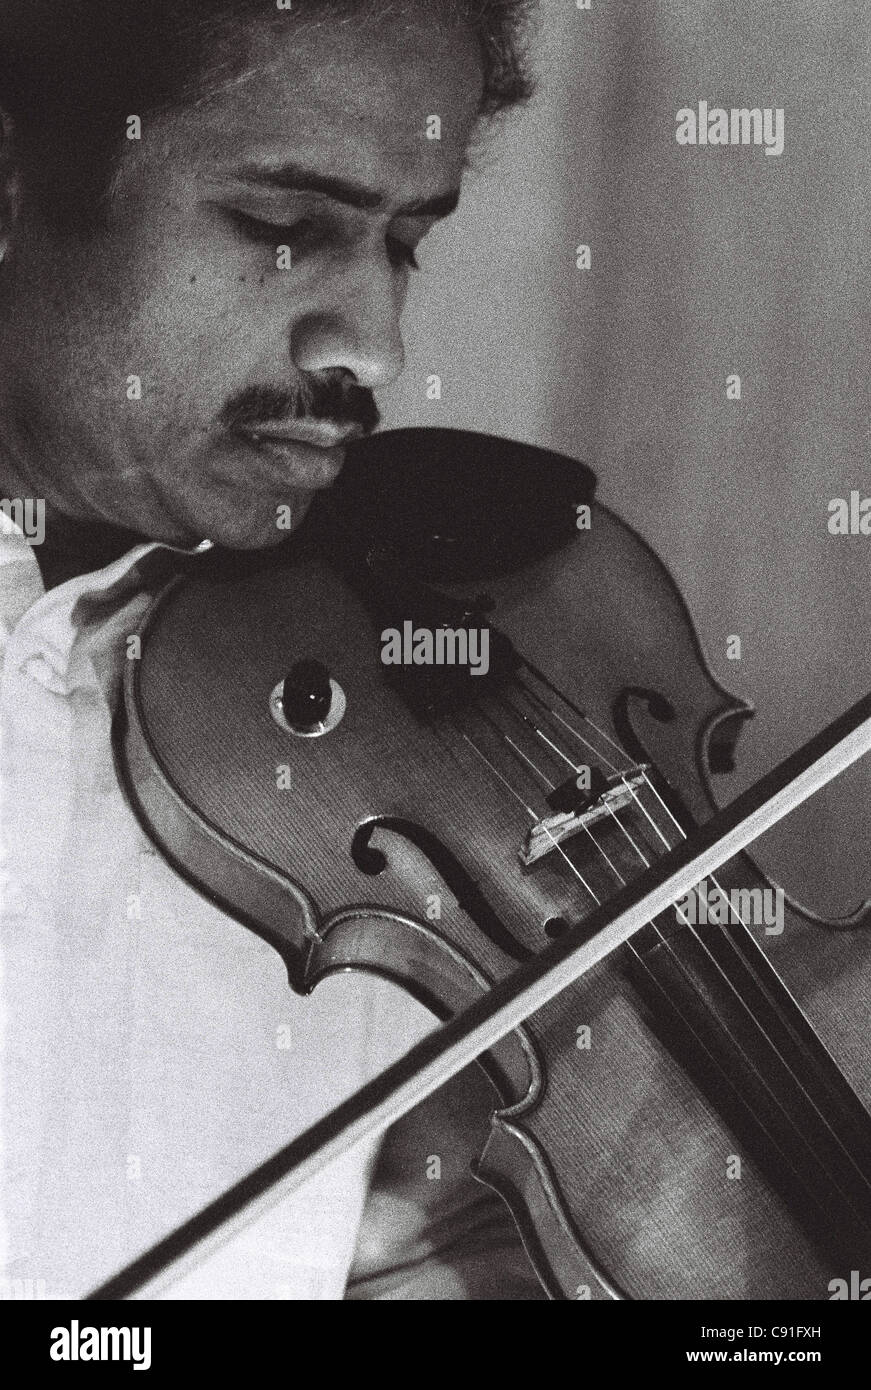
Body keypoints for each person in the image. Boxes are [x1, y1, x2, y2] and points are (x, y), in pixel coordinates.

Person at [0, 0, 545, 1299]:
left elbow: (425, 1237)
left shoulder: (370, 749)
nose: (376, 346)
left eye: (405, 244)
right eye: (285, 229)